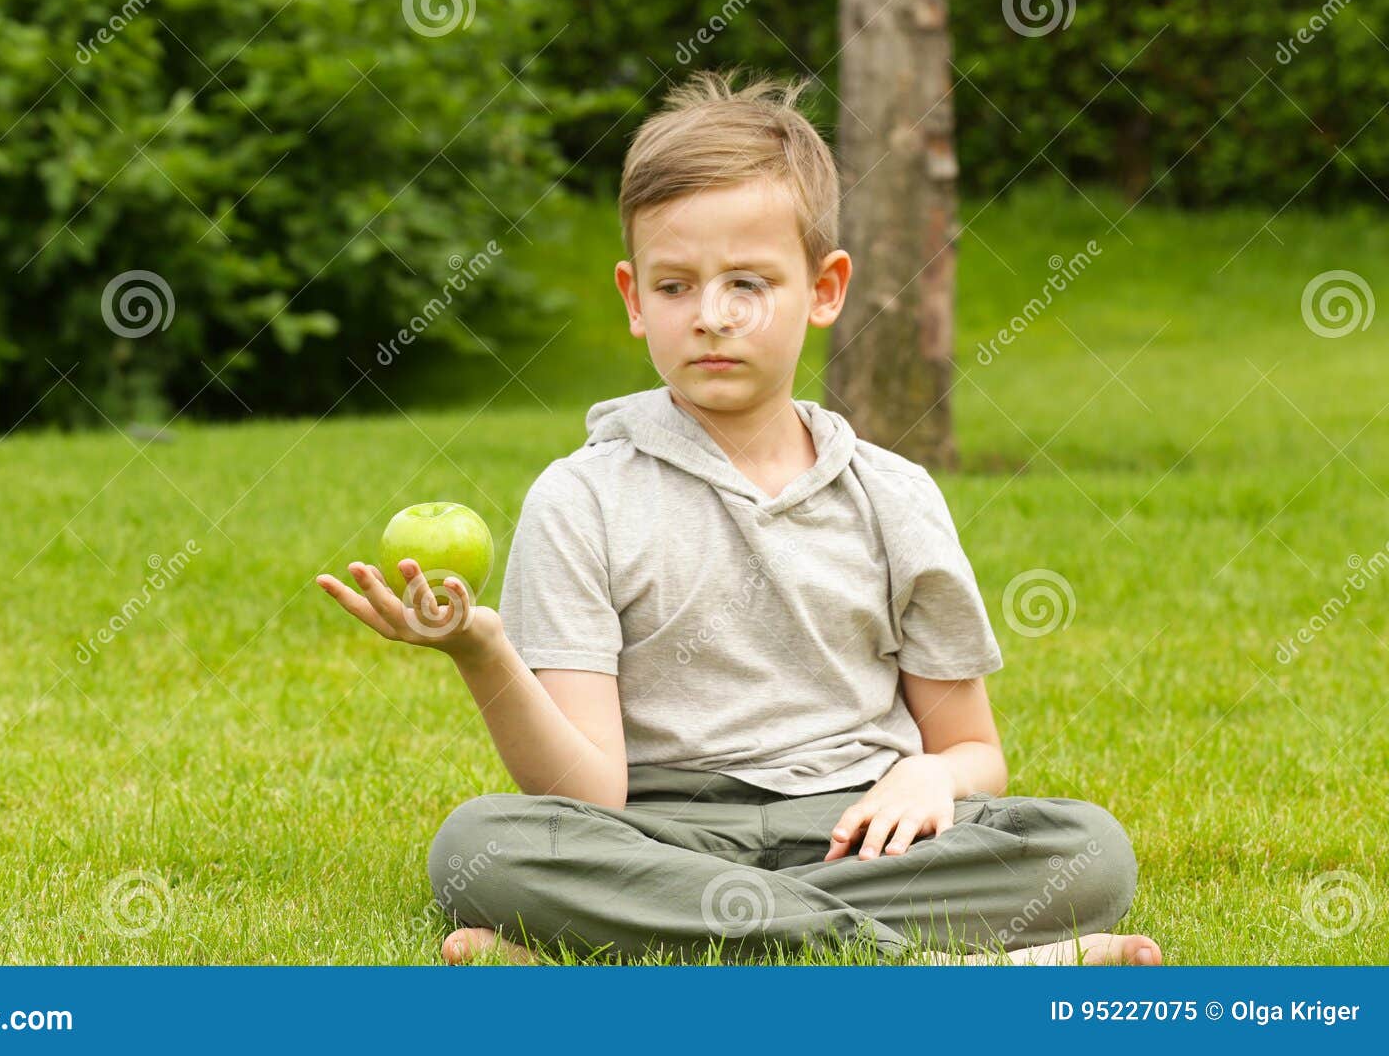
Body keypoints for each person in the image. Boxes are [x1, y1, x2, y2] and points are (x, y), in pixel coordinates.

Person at [316, 68, 1160, 966]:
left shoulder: (895, 494)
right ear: (635, 298)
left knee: (1087, 848)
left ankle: (646, 955)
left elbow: (973, 750)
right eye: (675, 287)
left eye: (748, 284)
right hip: (661, 837)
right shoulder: (579, 498)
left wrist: (930, 774)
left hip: (859, 832)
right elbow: (592, 796)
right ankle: (925, 969)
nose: (711, 317)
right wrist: (481, 648)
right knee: (482, 844)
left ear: (826, 288)